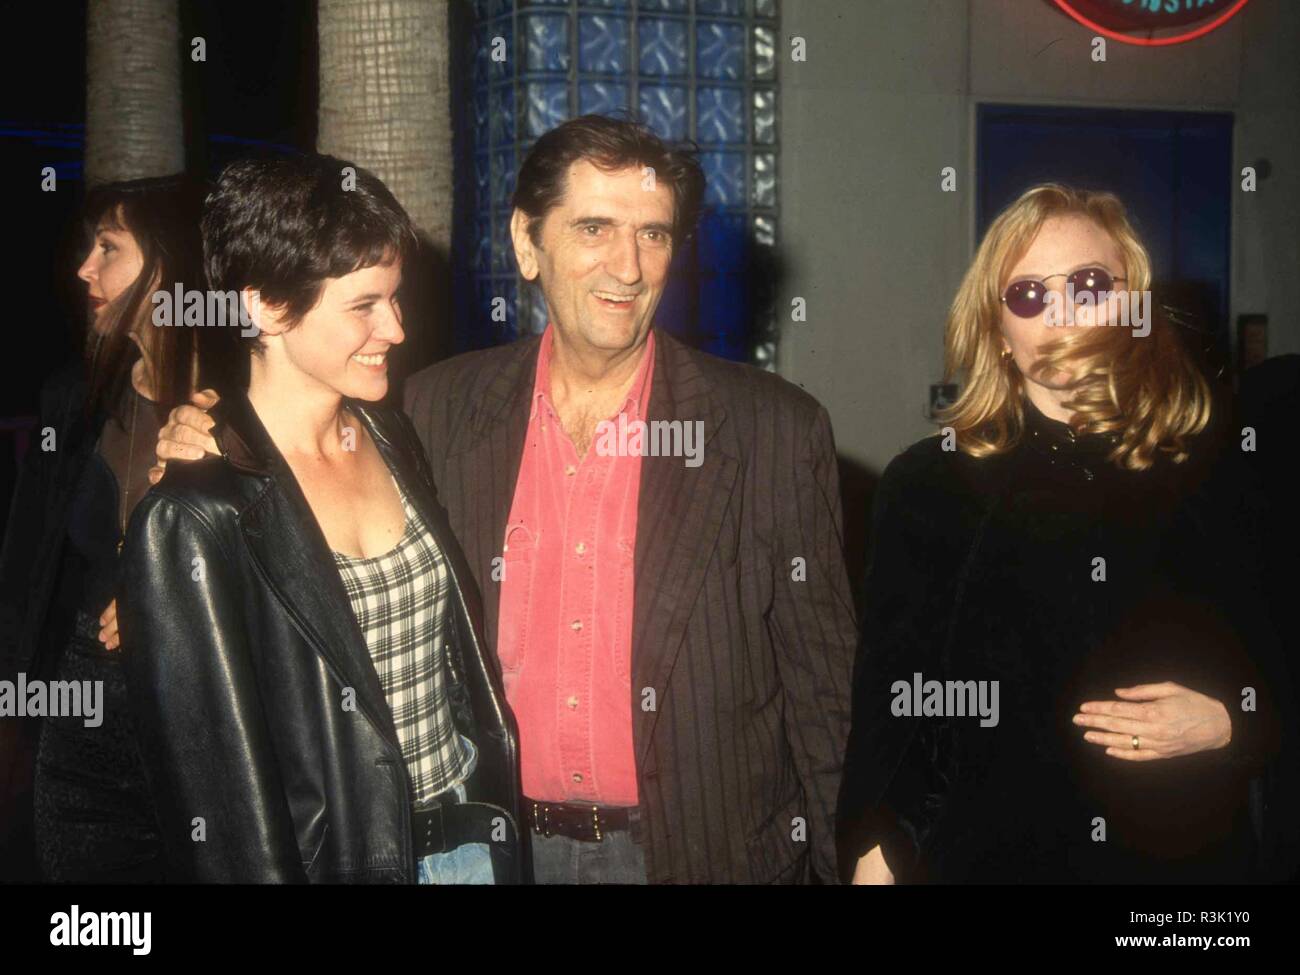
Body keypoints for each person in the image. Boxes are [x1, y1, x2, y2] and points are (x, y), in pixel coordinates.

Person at [147, 115, 858, 884]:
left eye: (653, 234)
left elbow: (827, 699)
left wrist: (856, 857)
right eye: (594, 227)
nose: (628, 266)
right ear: (527, 243)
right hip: (503, 847)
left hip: (704, 852)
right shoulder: (432, 411)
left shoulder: (773, 432)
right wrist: (209, 435)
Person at [836, 184, 1280, 884]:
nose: (1062, 308)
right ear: (999, 333)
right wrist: (874, 856)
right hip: (988, 861)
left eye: (1090, 283)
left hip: (1185, 875)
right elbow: (897, 708)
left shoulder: (1228, 466)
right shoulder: (930, 485)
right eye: (1029, 294)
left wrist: (1238, 722)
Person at [116, 154, 521, 883]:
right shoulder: (196, 513)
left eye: (396, 299)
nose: (395, 328)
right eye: (364, 305)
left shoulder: (393, 437)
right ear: (266, 307)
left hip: (468, 839)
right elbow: (222, 807)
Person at [0, 173, 236, 881]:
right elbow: (26, 571)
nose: (85, 269)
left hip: (204, 725)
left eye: (108, 248)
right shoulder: (74, 399)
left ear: (169, 265)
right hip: (80, 722)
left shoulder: (243, 410)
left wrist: (161, 604)